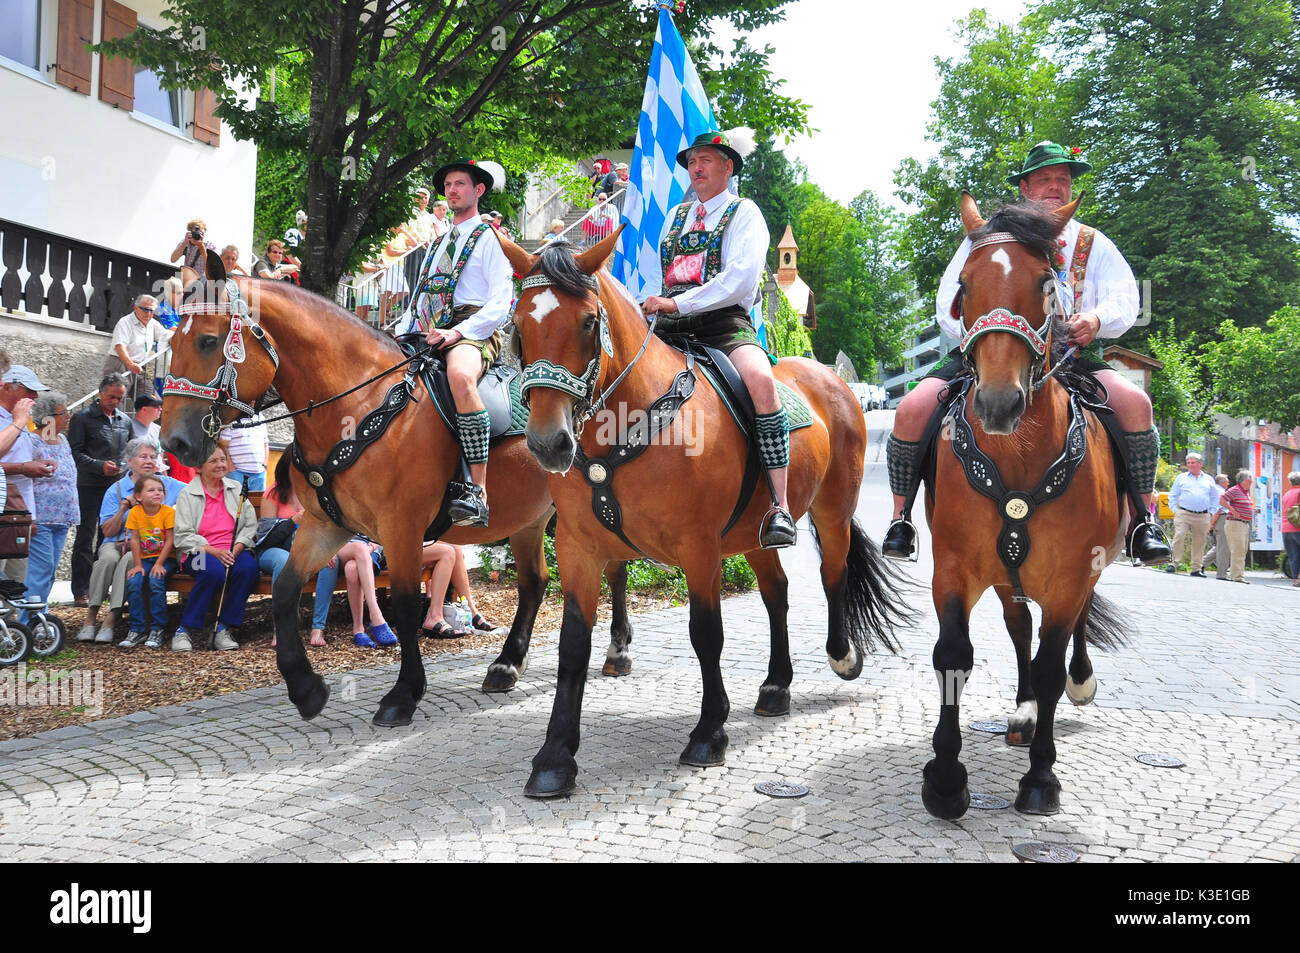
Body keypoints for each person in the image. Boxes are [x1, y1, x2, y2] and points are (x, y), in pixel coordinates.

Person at [881, 141, 1170, 566]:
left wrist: (1095, 319)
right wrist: (980, 334)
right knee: (911, 409)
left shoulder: (1092, 243)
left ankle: (1144, 521)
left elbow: (1126, 301)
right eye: (1045, 179)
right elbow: (948, 305)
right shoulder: (986, 237)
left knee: (1135, 403)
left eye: (1063, 180)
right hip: (986, 353)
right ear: (1025, 187)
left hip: (1072, 355)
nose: (1055, 187)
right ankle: (901, 518)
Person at [639, 128, 796, 549]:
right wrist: (646, 305)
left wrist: (679, 304)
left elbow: (739, 279)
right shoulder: (675, 217)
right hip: (667, 326)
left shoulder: (745, 213)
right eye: (692, 161)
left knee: (761, 383)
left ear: (728, 166)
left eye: (706, 160)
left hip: (724, 325)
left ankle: (779, 505)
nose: (696, 167)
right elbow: (654, 275)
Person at [397, 157, 512, 528]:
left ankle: (477, 491)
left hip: (473, 329)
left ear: (478, 190)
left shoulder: (493, 238)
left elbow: (500, 303)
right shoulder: (435, 244)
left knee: (461, 377)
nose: (451, 190)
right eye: (447, 185)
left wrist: (457, 333)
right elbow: (418, 298)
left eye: (460, 184)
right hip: (426, 329)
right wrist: (398, 331)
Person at [79, 439, 184, 644]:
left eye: (153, 457)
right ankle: (91, 617)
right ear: (129, 460)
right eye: (143, 456)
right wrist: (125, 507)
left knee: (129, 561)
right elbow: (107, 530)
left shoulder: (169, 485)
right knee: (107, 560)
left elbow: (199, 491)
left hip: (147, 547)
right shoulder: (117, 489)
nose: (149, 461)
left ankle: (111, 619)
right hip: (116, 540)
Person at [172, 447, 259, 651]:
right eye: (213, 461)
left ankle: (223, 628)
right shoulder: (188, 494)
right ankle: (184, 630)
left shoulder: (236, 488)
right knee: (212, 571)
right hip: (197, 553)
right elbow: (183, 535)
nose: (221, 465)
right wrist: (214, 551)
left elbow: (249, 525)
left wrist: (237, 548)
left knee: (248, 569)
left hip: (233, 550)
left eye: (223, 459)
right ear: (199, 467)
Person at [257, 454, 337, 648]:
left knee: (330, 563)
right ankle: (282, 629)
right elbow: (266, 539)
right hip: (272, 551)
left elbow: (325, 529)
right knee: (286, 562)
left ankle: (318, 629)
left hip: (306, 549)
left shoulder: (314, 493)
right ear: (287, 469)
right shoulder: (273, 494)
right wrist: (292, 521)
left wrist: (327, 550)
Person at [67, 376, 132, 606]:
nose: (115, 401)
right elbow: (74, 453)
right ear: (101, 393)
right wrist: (98, 465)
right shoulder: (82, 418)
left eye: (120, 398)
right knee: (85, 537)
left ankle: (101, 587)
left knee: (109, 539)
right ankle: (82, 590)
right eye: (112, 396)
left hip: (114, 488)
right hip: (88, 485)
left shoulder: (124, 420)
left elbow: (129, 452)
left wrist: (123, 468)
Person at [18, 392, 78, 624]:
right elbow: (24, 478)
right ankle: (27, 623)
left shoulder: (63, 441)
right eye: (63, 413)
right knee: (40, 570)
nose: (69, 416)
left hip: (62, 517)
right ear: (48, 419)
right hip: (40, 517)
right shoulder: (32, 441)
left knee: (49, 570)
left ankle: (37, 618)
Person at [1, 366, 53, 583]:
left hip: (19, 512)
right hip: (5, 511)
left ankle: (10, 618)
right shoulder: (17, 420)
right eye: (29, 390)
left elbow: (14, 458)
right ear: (8, 387)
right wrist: (24, 468)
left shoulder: (19, 419)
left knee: (15, 585)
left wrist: (34, 465)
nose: (34, 396)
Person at [120, 474, 177, 648]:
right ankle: (137, 628)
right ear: (138, 496)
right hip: (144, 559)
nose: (157, 493)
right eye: (151, 490)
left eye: (160, 490)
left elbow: (170, 541)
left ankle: (158, 627)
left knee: (155, 580)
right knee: (134, 581)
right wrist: (137, 565)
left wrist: (159, 563)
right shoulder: (135, 513)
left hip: (167, 559)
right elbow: (134, 540)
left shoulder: (168, 512)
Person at [419, 541, 498, 638]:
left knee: (456, 547)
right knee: (447, 552)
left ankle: (470, 610)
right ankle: (434, 616)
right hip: (399, 549)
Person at [105, 294, 172, 403]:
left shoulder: (152, 324)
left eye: (152, 311)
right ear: (136, 308)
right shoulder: (125, 322)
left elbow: (166, 336)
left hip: (139, 368)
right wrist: (130, 364)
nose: (149, 314)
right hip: (120, 364)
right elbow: (119, 346)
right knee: (116, 404)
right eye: (145, 310)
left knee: (153, 403)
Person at [1167, 451, 1219, 576]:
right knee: (1179, 536)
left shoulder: (1208, 479)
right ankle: (1173, 563)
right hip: (1184, 513)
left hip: (1203, 515)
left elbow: (1215, 497)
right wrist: (1175, 510)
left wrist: (1211, 512)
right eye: (1188, 462)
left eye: (1193, 462)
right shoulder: (1181, 478)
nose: (1190, 465)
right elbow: (1173, 495)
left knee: (1200, 541)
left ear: (1200, 464)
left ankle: (1196, 568)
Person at [1220, 470, 1255, 584]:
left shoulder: (1245, 491)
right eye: (1250, 478)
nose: (1252, 481)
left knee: (1242, 550)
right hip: (1236, 523)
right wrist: (1232, 510)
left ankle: (1238, 574)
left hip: (1244, 523)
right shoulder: (1235, 490)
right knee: (1238, 549)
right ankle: (1237, 576)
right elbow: (1222, 499)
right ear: (1245, 480)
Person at [220, 415, 269, 492]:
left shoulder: (260, 417)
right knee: (235, 503)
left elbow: (265, 444)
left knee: (256, 503)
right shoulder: (232, 418)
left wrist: (265, 465)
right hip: (237, 473)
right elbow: (223, 445)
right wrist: (231, 467)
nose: (252, 402)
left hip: (259, 474)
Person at [170, 218, 217, 284]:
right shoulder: (186, 243)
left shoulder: (209, 246)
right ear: (190, 233)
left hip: (202, 281)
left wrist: (202, 247)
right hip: (187, 280)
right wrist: (184, 243)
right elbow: (173, 259)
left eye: (202, 233)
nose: (199, 236)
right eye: (196, 233)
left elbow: (212, 266)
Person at [1204, 474, 1232, 580]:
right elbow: (1218, 509)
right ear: (1222, 482)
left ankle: (1202, 564)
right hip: (1221, 519)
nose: (1228, 483)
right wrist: (1212, 524)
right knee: (1224, 547)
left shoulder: (1218, 491)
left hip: (1220, 519)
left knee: (1220, 546)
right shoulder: (1220, 492)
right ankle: (1222, 573)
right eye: (1227, 480)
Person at [1281, 471, 1300, 587]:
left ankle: (1296, 580)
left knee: (1293, 555)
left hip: (1286, 528)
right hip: (1298, 527)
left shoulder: (1286, 494)